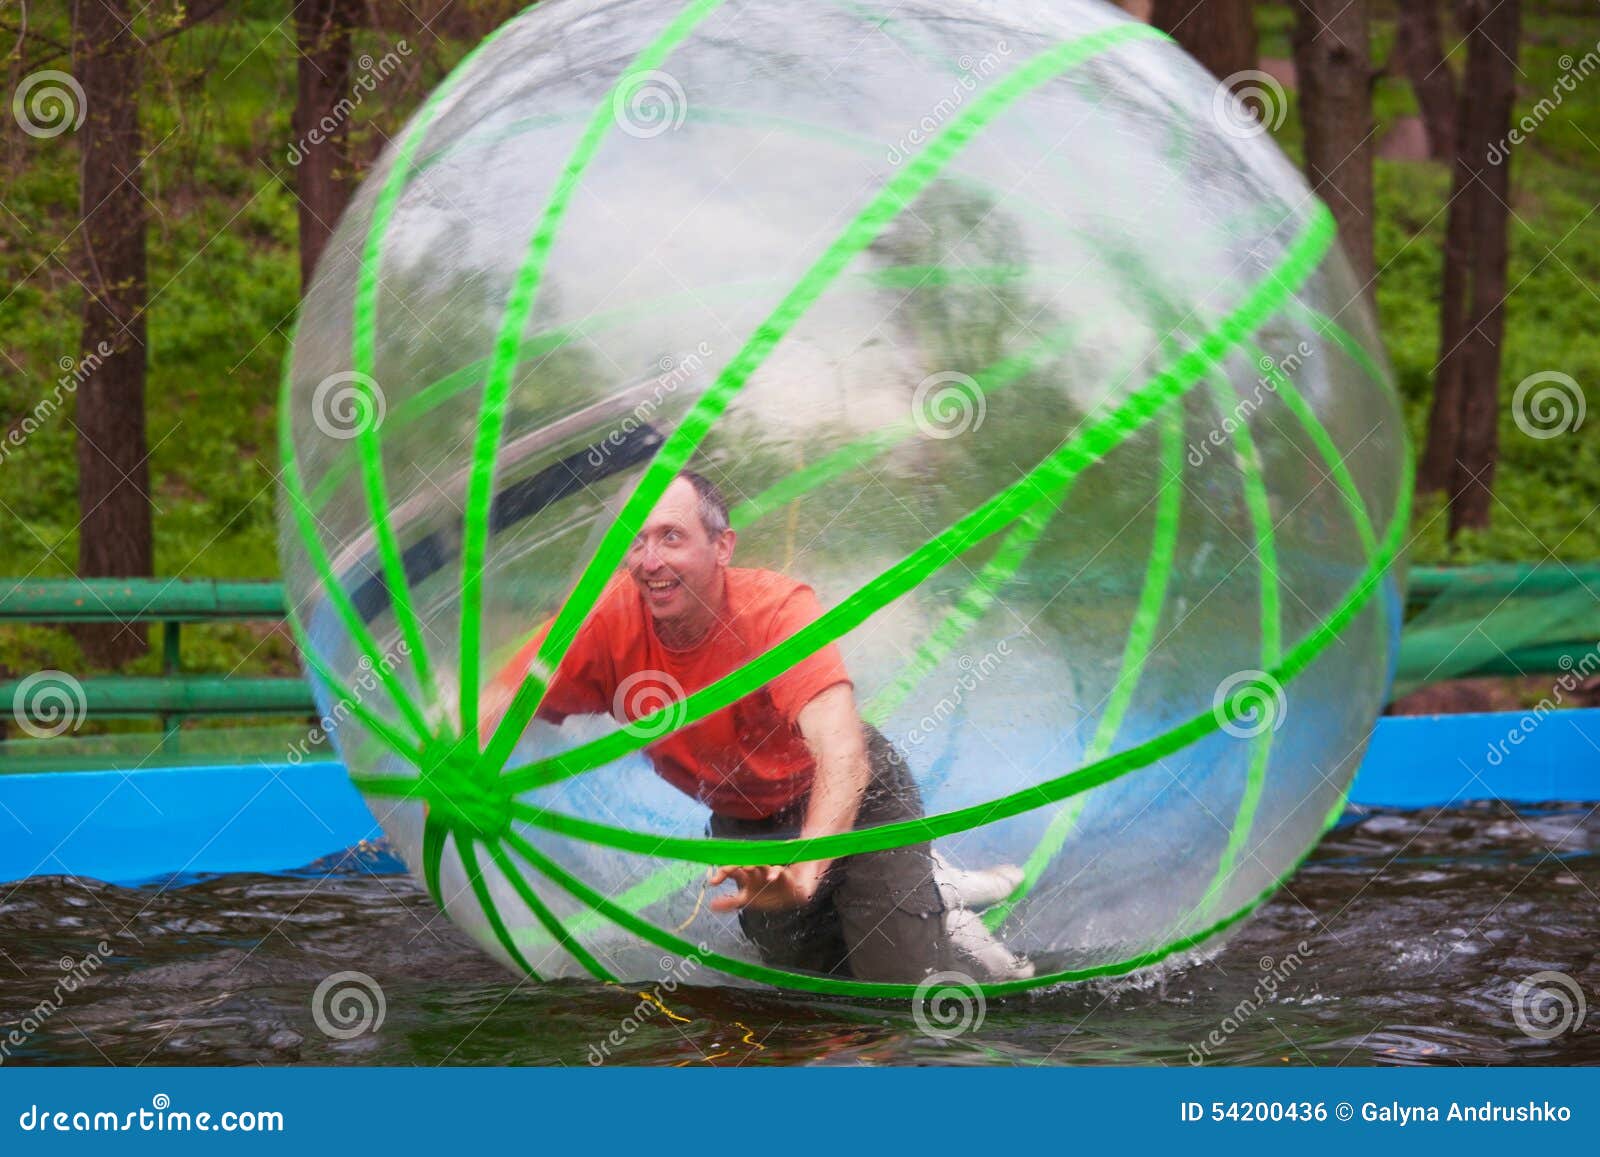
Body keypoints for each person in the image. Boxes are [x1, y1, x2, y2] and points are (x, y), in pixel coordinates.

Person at [486, 470, 1030, 983]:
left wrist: (806, 867)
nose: (649, 561)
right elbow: (501, 704)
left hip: (858, 797)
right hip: (748, 820)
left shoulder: (777, 611)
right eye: (635, 541)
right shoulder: (603, 621)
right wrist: (458, 766)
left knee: (897, 985)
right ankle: (920, 890)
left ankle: (933, 908)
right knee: (810, 985)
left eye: (671, 537)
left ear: (722, 546)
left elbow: (843, 752)